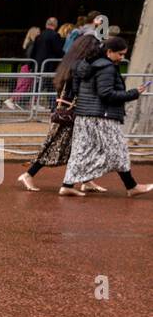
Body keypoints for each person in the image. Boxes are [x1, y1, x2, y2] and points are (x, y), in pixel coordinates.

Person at [59, 36, 153, 198]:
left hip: (83, 115)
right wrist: (133, 93)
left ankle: (68, 185)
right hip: (103, 116)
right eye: (120, 54)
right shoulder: (107, 68)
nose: (122, 57)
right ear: (109, 52)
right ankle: (131, 186)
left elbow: (76, 88)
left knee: (82, 151)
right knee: (119, 151)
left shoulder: (85, 65)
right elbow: (106, 94)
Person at [16, 33, 99, 192]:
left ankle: (85, 179)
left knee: (69, 146)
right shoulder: (79, 66)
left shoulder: (68, 63)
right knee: (58, 146)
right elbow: (76, 90)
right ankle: (29, 174)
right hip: (71, 113)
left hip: (63, 111)